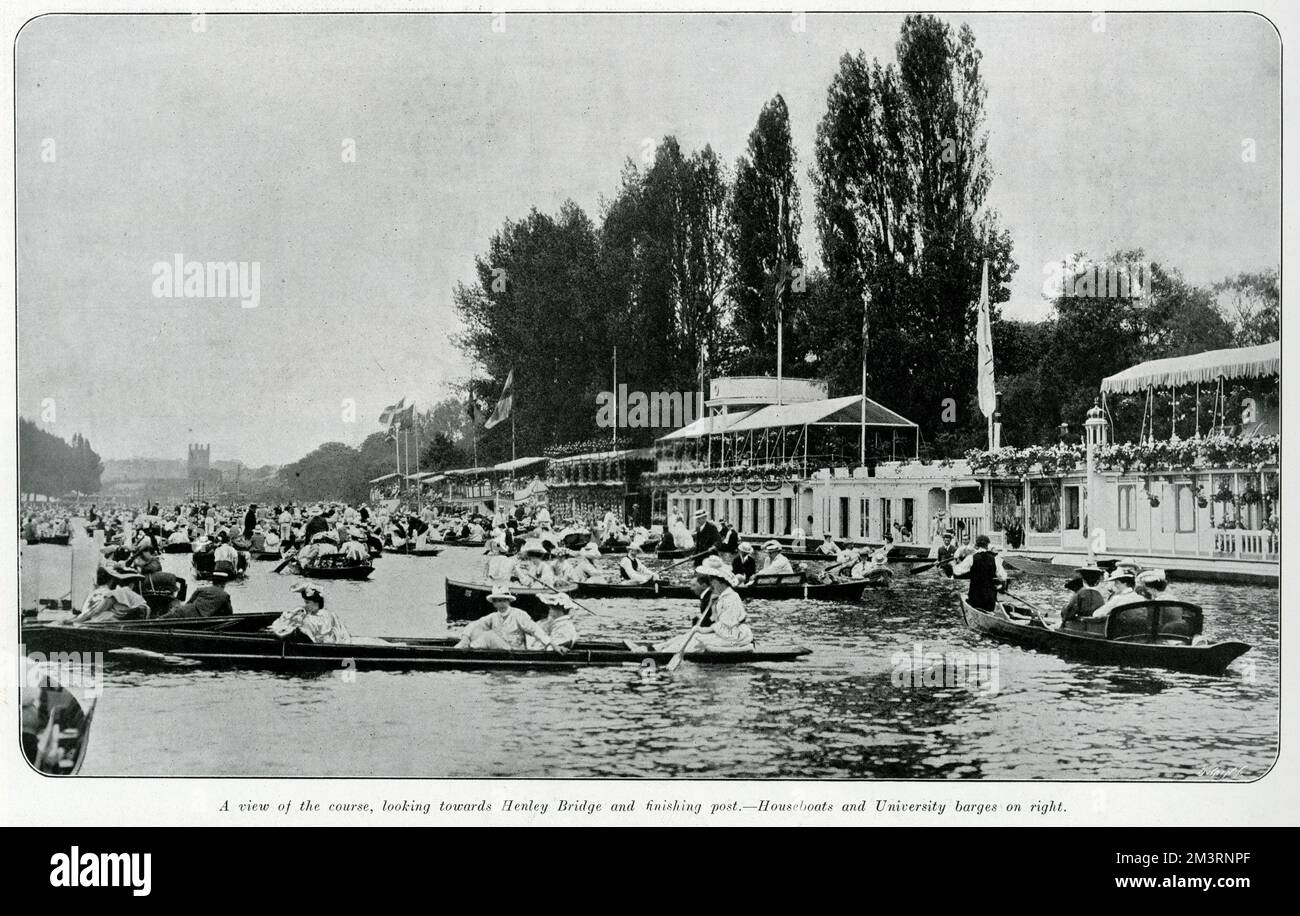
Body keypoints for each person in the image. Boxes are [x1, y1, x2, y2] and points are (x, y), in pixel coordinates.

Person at [654, 557, 754, 653]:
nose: (712, 587)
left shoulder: (731, 598)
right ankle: (662, 649)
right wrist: (713, 606)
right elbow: (716, 620)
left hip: (735, 636)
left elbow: (726, 626)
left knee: (696, 638)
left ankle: (666, 652)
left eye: (713, 583)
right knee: (694, 635)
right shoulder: (722, 597)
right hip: (727, 634)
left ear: (720, 583)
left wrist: (703, 630)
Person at [456, 587, 559, 651]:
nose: (501, 604)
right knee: (476, 631)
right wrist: (465, 637)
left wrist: (551, 644)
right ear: (494, 604)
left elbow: (535, 630)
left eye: (504, 600)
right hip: (500, 650)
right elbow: (474, 624)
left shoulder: (519, 614)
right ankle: (462, 648)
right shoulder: (493, 616)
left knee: (488, 635)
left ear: (509, 601)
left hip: (515, 652)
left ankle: (463, 650)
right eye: (498, 601)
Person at [270, 584, 351, 644]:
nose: (305, 605)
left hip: (323, 645)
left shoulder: (321, 616)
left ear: (316, 602)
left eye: (308, 602)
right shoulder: (313, 615)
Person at [951, 534, 1007, 613]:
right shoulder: (994, 559)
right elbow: (1003, 577)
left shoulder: (971, 558)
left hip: (975, 598)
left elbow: (957, 571)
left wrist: (953, 565)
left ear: (976, 545)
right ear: (987, 546)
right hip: (989, 599)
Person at [72, 567, 149, 623]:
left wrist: (76, 621)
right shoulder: (135, 595)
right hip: (139, 619)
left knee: (104, 615)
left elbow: (97, 610)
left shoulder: (117, 593)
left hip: (127, 620)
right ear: (132, 584)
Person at [159, 568, 234, 618]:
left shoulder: (201, 589)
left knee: (160, 620)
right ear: (224, 583)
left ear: (213, 581)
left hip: (183, 610)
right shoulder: (224, 595)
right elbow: (229, 614)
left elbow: (189, 602)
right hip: (195, 617)